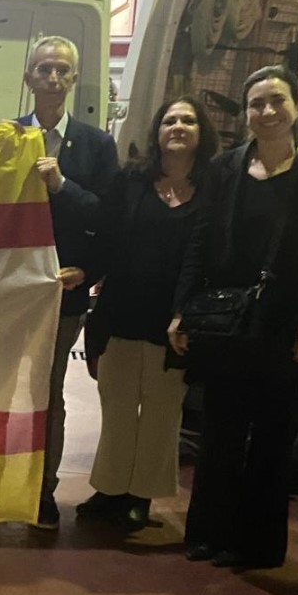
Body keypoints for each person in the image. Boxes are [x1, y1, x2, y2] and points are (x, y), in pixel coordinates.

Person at [169, 66, 298, 571]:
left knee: (274, 438)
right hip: (229, 324)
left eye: (276, 101)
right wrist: (184, 309)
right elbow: (201, 241)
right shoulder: (226, 168)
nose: (266, 112)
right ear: (246, 112)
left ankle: (259, 545)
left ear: (297, 106)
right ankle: (209, 534)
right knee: (221, 436)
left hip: (287, 327)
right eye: (256, 104)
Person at [79, 96, 218, 530]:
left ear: (202, 132)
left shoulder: (217, 188)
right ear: (157, 131)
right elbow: (106, 236)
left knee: (161, 414)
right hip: (122, 313)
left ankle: (141, 497)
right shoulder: (133, 180)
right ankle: (110, 489)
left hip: (175, 324)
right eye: (170, 120)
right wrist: (84, 272)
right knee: (118, 407)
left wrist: (190, 313)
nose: (178, 126)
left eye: (188, 120)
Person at [14, 35, 120, 530]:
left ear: (74, 79)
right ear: (28, 77)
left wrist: (88, 271)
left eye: (62, 70)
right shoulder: (5, 137)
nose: (53, 78)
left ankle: (41, 491)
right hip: (8, 296)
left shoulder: (97, 145)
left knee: (50, 391)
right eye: (43, 69)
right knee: (1, 392)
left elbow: (109, 216)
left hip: (64, 294)